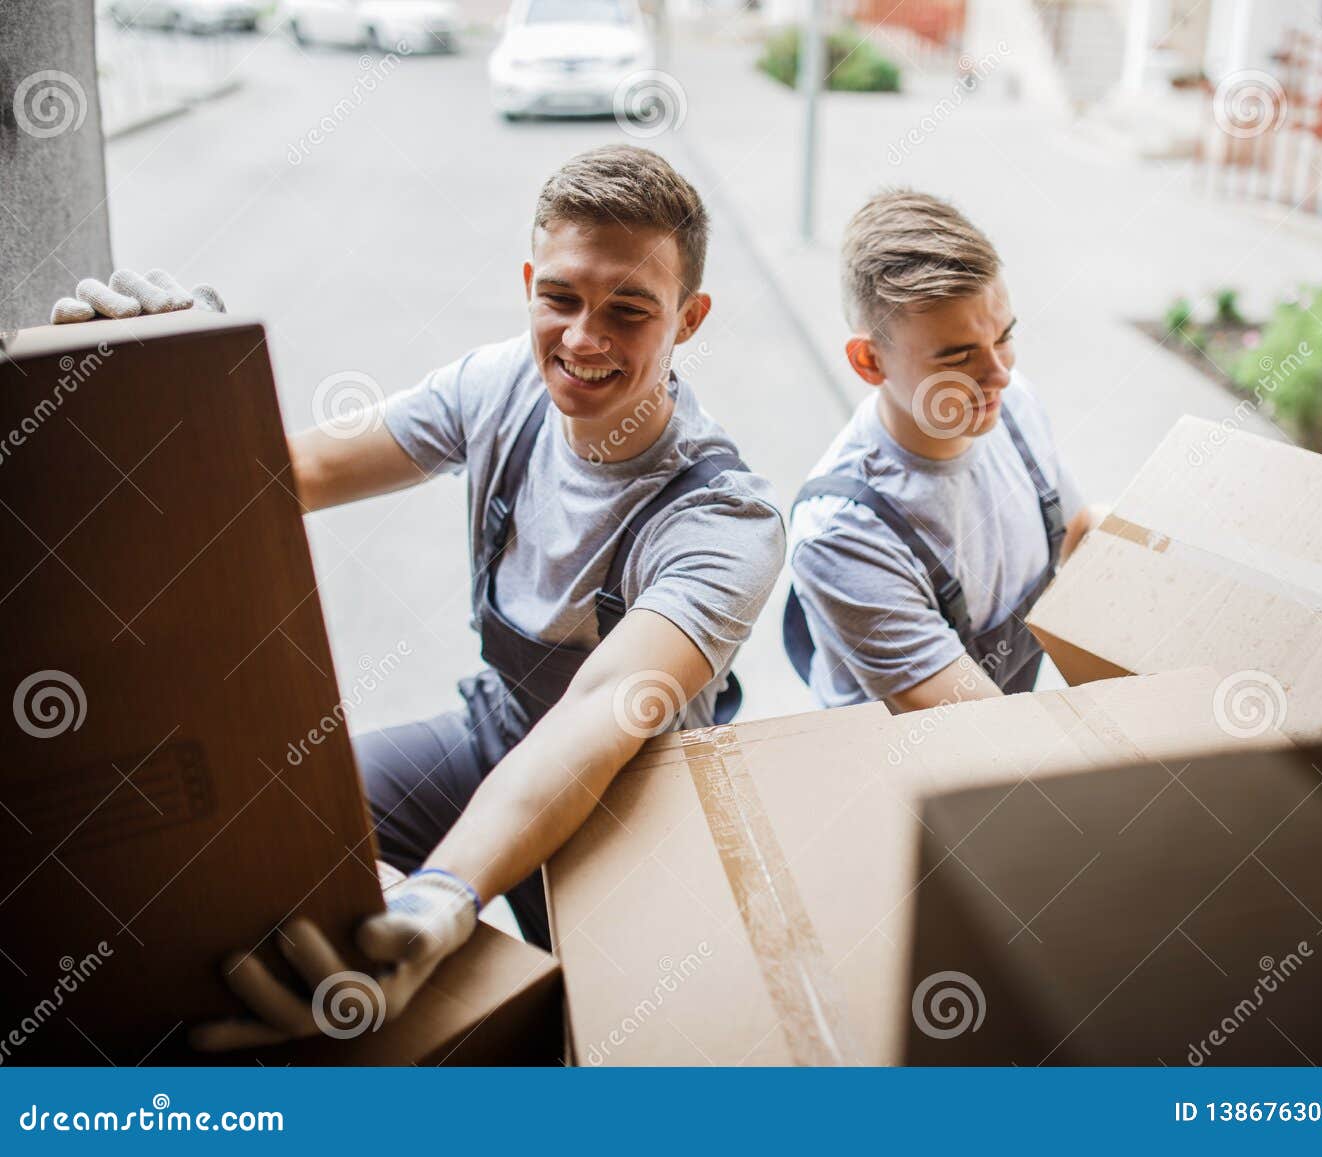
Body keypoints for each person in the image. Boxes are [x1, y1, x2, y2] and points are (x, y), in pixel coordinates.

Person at [54, 145, 786, 1048]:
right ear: (529, 283)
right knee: (268, 832)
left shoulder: (725, 519)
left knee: (611, 1039)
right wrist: (172, 374)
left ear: (690, 318)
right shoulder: (498, 388)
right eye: (560, 298)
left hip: (635, 794)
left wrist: (442, 893)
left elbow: (600, 711)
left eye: (629, 311)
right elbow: (293, 471)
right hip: (497, 729)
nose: (584, 339)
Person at [783, 189, 1096, 714]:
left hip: (1011, 733)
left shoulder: (1013, 406)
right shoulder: (843, 531)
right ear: (868, 362)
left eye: (1005, 337)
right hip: (915, 768)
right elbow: (976, 732)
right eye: (958, 357)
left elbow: (1080, 534)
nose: (999, 374)